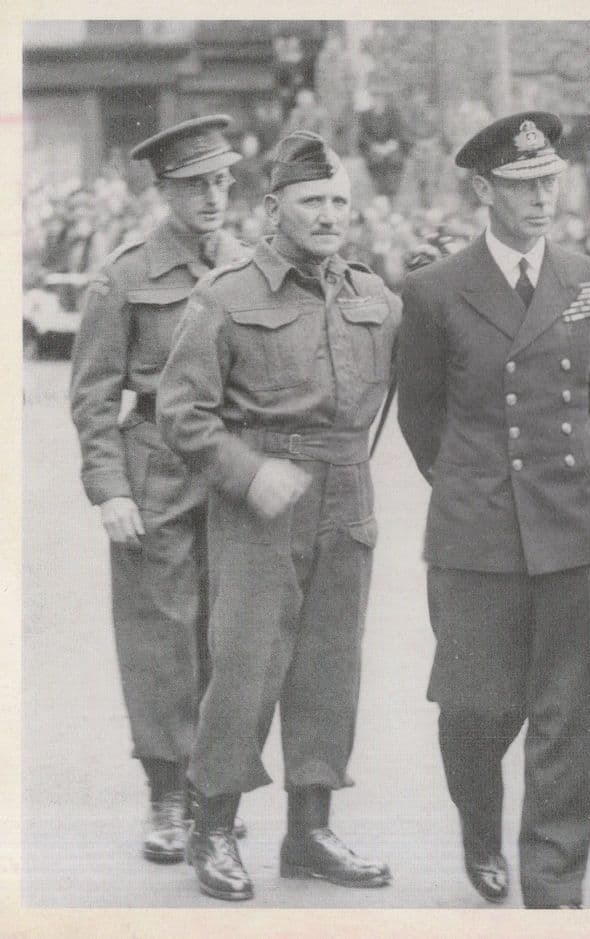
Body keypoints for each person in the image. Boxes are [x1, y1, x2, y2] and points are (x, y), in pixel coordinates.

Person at [158, 131, 399, 901]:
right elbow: (181, 413)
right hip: (260, 497)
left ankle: (310, 829)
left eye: (338, 202)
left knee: (331, 663)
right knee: (245, 665)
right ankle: (214, 827)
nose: (328, 215)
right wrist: (247, 471)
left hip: (345, 491)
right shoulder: (226, 294)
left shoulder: (373, 295)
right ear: (272, 209)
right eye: (311, 202)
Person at [396, 112, 590, 909]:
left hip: (570, 526)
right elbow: (421, 419)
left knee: (565, 714)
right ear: (483, 189)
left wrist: (556, 484)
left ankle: (554, 884)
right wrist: (475, 483)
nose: (541, 198)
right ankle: (480, 825)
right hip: (477, 532)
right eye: (523, 185)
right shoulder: (433, 290)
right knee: (474, 709)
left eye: (549, 181)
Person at [68, 115, 249, 866]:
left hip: (231, 469)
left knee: (229, 634)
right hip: (156, 469)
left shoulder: (249, 262)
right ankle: (168, 796)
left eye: (221, 181)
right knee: (161, 639)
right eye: (195, 184)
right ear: (163, 188)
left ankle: (215, 792)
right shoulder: (126, 274)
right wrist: (108, 486)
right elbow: (92, 394)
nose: (212, 196)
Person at [358, 88, 410, 198]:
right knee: (376, 161)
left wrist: (390, 146)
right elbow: (363, 135)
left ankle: (392, 194)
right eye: (376, 98)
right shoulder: (365, 116)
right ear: (372, 100)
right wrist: (374, 146)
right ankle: (380, 194)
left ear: (385, 100)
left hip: (391, 147)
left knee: (395, 160)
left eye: (381, 99)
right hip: (374, 148)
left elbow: (399, 132)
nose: (378, 101)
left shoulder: (393, 113)